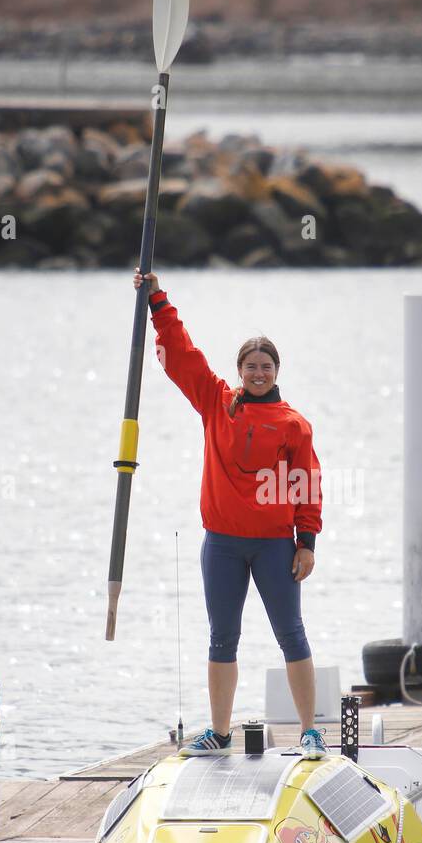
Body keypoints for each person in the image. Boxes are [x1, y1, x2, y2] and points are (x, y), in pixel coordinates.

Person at [135, 268, 328, 759]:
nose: (258, 373)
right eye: (250, 366)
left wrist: (306, 542)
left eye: (266, 366)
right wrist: (157, 301)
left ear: (277, 371)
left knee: (291, 633)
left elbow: (307, 484)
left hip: (273, 546)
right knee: (223, 637)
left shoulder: (293, 425)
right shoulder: (217, 403)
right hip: (221, 542)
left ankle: (309, 731)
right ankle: (220, 732)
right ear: (240, 370)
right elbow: (183, 356)